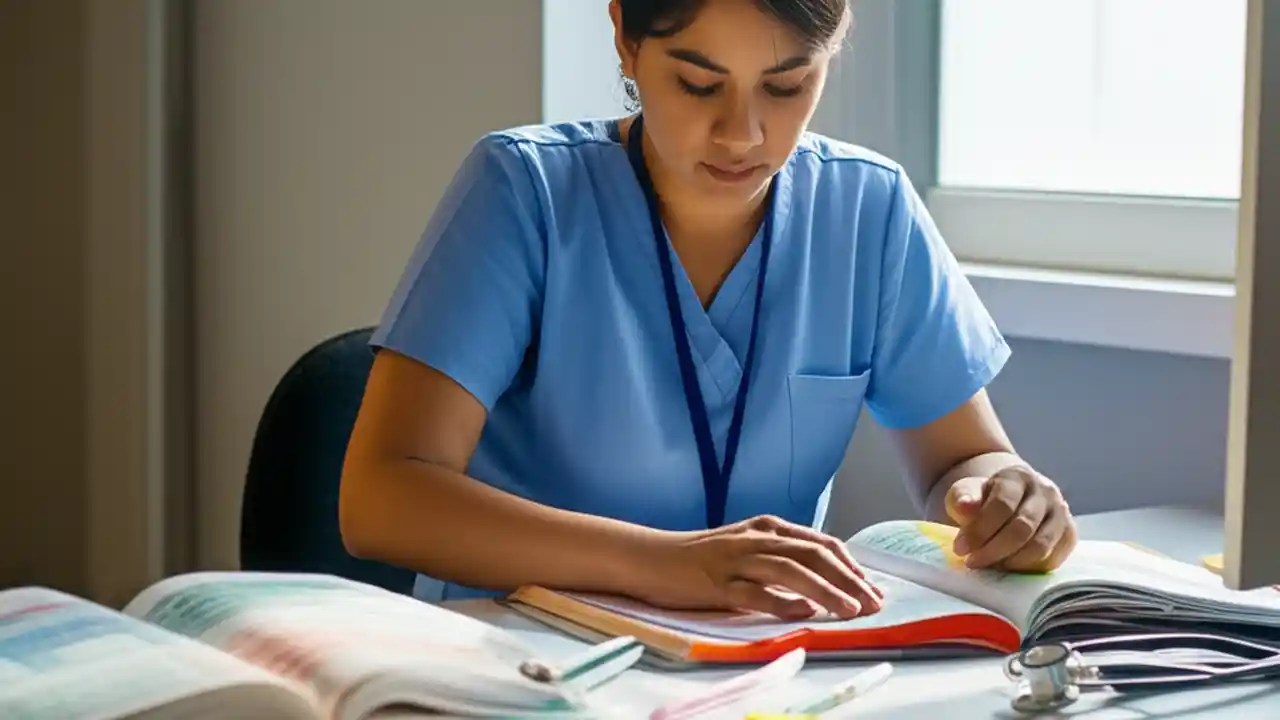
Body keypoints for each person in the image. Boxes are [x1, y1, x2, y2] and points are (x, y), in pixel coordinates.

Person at [339, 0, 1077, 621]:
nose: (743, 134)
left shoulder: (867, 208)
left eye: (786, 86)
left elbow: (961, 459)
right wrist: (667, 565)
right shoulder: (525, 193)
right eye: (698, 84)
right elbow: (381, 499)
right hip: (522, 661)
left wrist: (1005, 493)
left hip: (757, 665)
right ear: (625, 37)